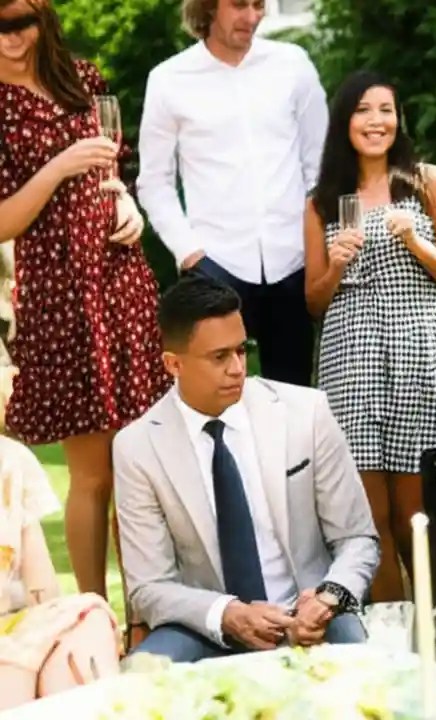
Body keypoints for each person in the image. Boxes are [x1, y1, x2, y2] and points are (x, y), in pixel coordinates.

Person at [114, 276, 379, 662]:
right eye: (219, 357)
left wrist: (329, 596)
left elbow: (358, 539)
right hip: (207, 625)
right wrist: (227, 614)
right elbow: (149, 585)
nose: (238, 368)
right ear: (174, 364)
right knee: (140, 677)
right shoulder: (137, 447)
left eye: (241, 350)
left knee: (361, 667)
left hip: (313, 612)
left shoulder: (305, 413)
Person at [0, 0, 170, 599]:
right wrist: (58, 167)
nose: (10, 37)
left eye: (18, 21)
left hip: (121, 280)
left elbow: (113, 168)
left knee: (142, 466)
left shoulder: (83, 78)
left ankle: (151, 613)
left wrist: (126, 201)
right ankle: (95, 613)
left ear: (42, 16)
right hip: (59, 293)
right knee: (92, 473)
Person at [304, 71, 436, 603]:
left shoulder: (429, 184)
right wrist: (334, 267)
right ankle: (389, 633)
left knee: (415, 515)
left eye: (386, 109)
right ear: (344, 122)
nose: (376, 121)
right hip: (350, 352)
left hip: (417, 346)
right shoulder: (323, 200)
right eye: (363, 110)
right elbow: (314, 302)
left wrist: (416, 244)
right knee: (367, 519)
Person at [137, 0, 328, 387]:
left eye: (259, 5)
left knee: (293, 401)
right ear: (208, 7)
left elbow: (319, 165)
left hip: (293, 263)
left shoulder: (292, 65)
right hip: (216, 265)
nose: (253, 17)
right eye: (240, 5)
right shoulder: (169, 79)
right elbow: (153, 182)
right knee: (214, 400)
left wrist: (314, 244)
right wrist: (191, 254)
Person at [0, 366, 120, 711]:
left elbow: (43, 586)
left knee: (87, 615)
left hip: (16, 624)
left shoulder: (13, 462)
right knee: (14, 677)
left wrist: (52, 630)